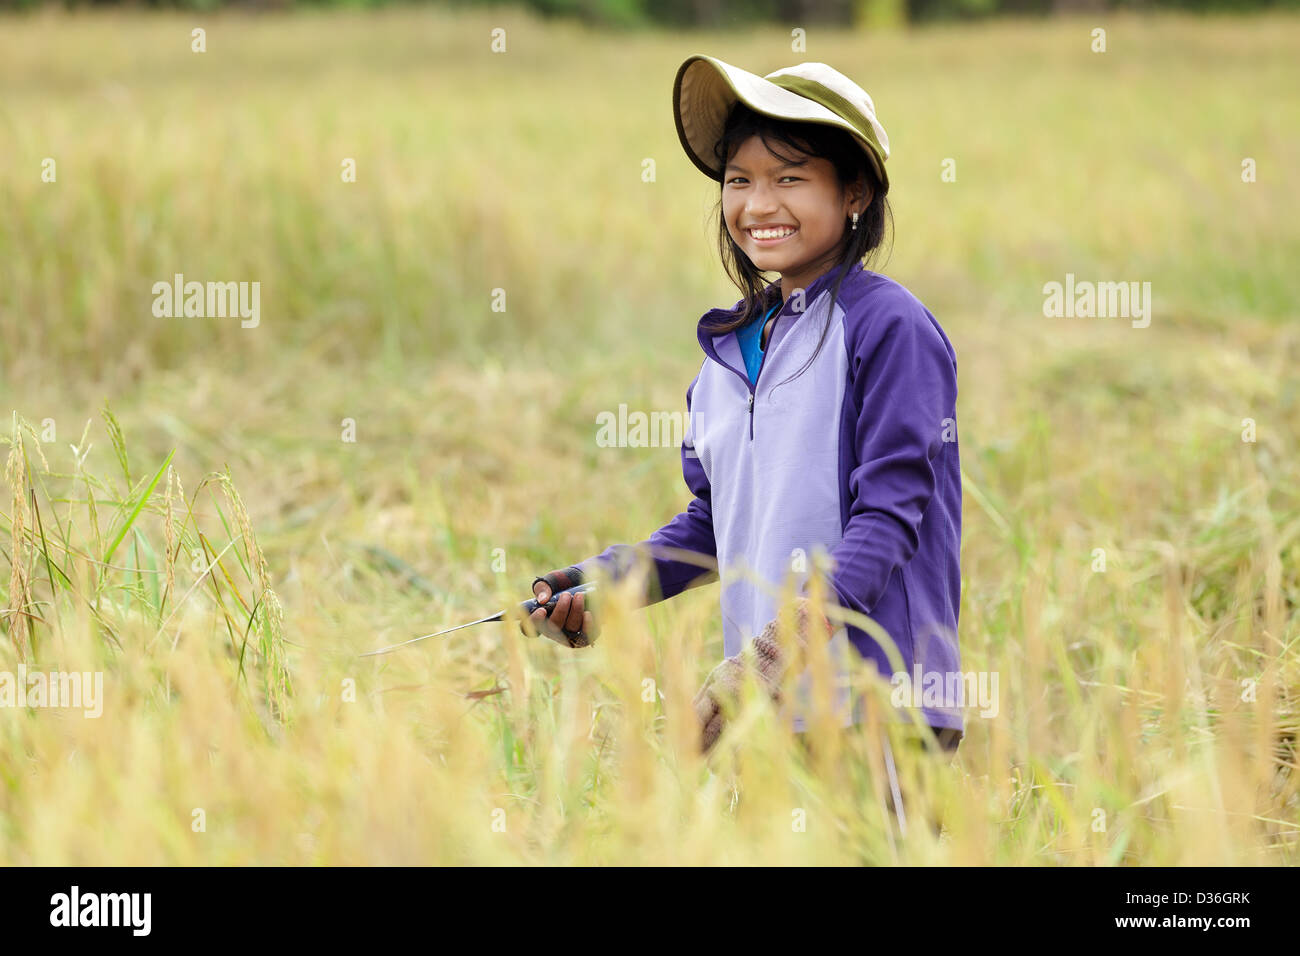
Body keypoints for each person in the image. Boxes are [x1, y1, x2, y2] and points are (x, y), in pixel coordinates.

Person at [521, 55, 965, 773]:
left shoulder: (890, 328)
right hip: (773, 718)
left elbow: (887, 520)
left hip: (880, 707)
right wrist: (603, 587)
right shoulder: (727, 355)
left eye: (789, 178)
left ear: (854, 191)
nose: (758, 206)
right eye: (739, 181)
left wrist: (759, 665)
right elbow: (714, 528)